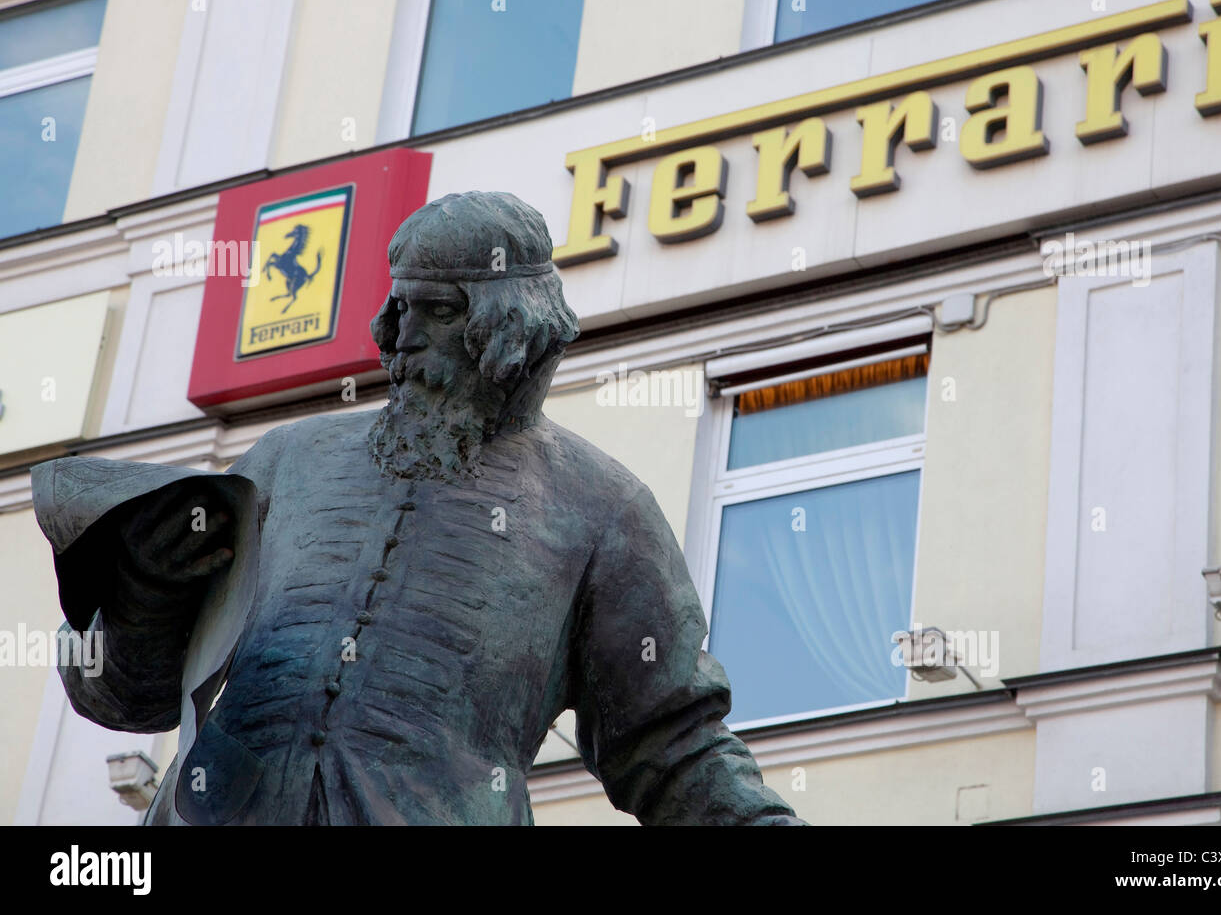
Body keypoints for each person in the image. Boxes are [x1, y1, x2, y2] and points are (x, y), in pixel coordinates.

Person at [36, 191, 803, 826]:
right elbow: (123, 700)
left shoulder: (603, 509)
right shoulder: (286, 463)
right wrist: (144, 599)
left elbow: (670, 747)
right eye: (394, 307)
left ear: (511, 331)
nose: (393, 338)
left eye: (432, 311)